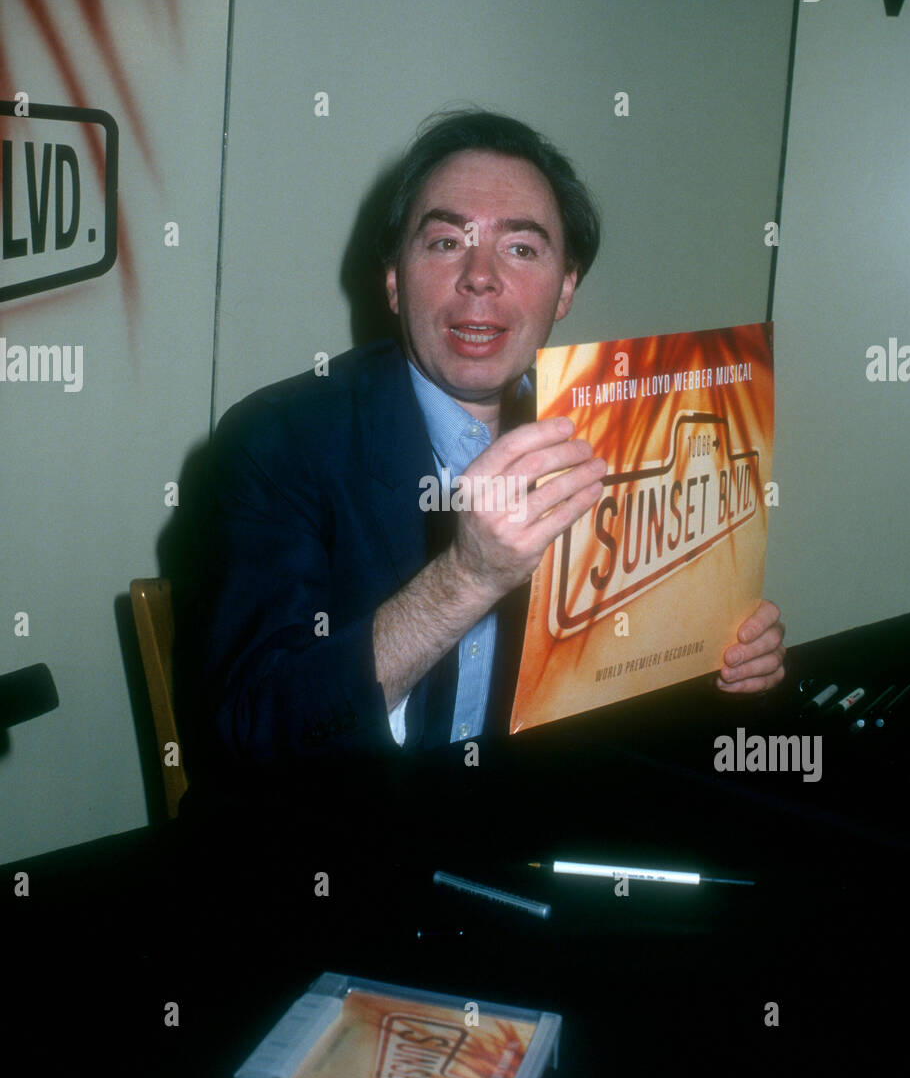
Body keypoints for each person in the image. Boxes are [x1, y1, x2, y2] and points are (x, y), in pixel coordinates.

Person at [178, 110, 785, 801]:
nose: (479, 277)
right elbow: (249, 734)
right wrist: (467, 577)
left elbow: (614, 711)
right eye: (443, 242)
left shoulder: (616, 434)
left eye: (521, 249)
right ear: (391, 280)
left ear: (564, 289)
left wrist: (717, 663)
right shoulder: (274, 441)